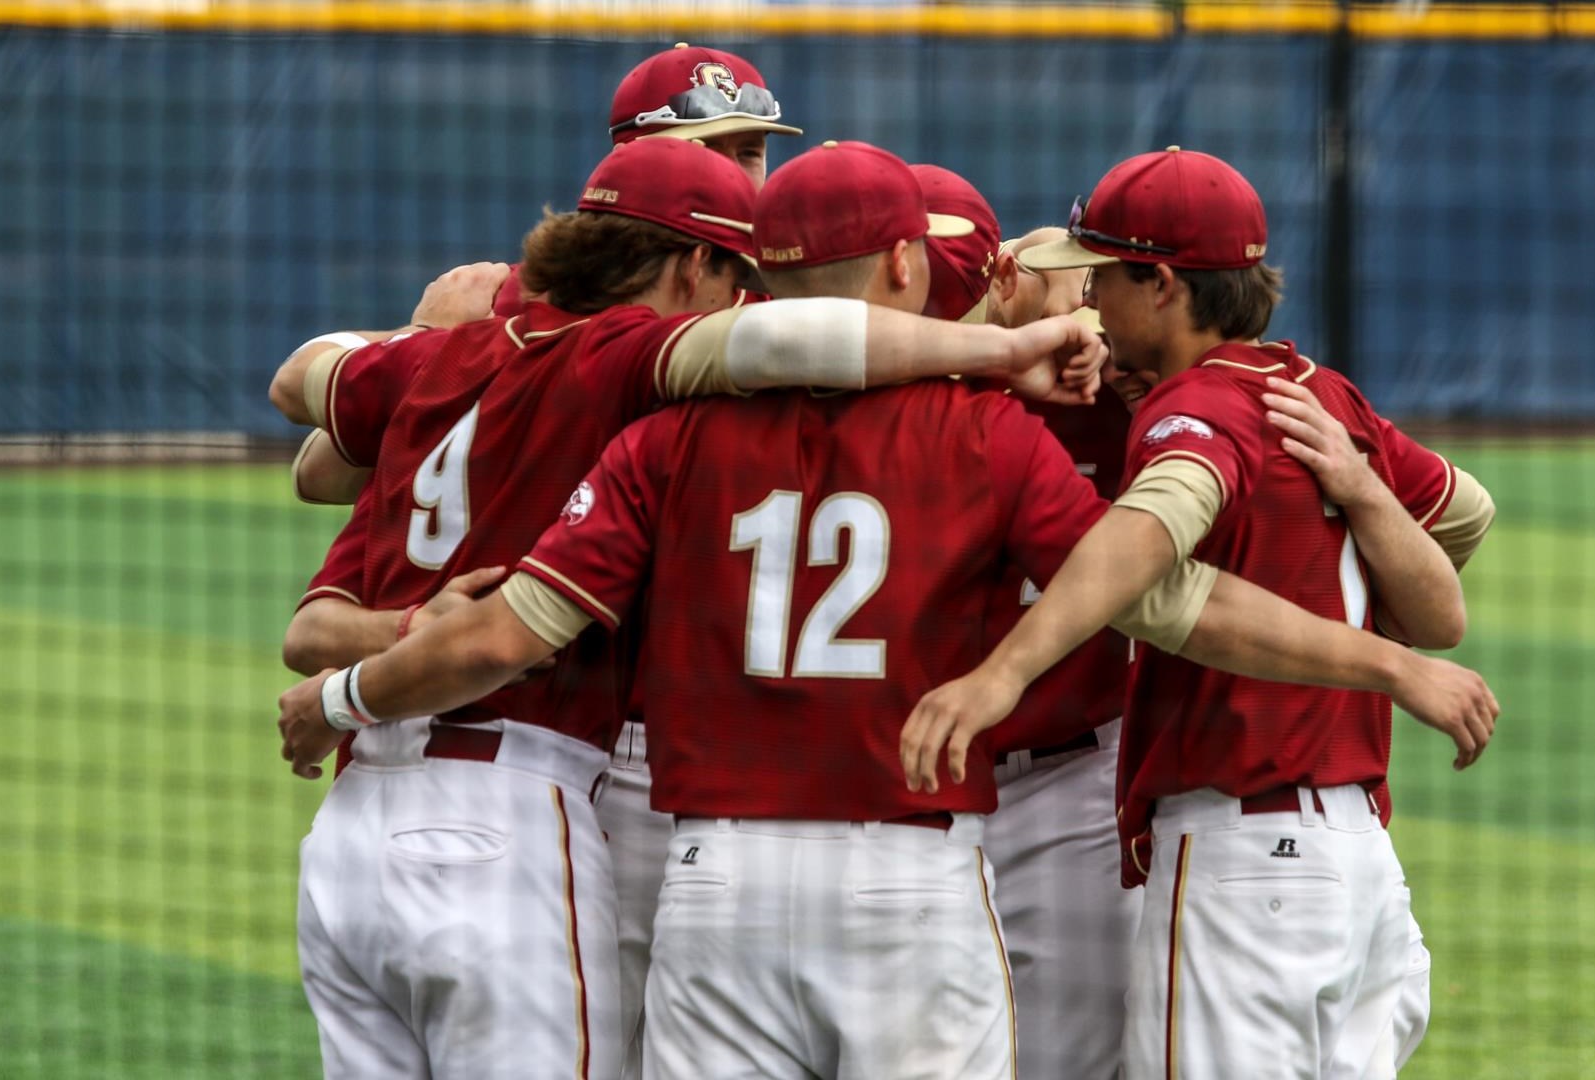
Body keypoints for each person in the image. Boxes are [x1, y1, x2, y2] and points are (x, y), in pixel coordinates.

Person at [275, 140, 1499, 1080]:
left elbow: (490, 613)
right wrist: (1384, 664)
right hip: (906, 873)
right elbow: (1161, 597)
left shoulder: (660, 436)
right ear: (908, 267)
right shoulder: (992, 431)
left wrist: (341, 693)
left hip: (708, 875)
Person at [273, 134, 1110, 1079]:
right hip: (852, 863)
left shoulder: (509, 393)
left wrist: (347, 691)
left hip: (655, 870)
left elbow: (316, 450)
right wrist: (1007, 351)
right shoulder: (639, 370)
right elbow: (1117, 583)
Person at [902, 147, 1499, 1078]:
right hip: (1357, 861)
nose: (1090, 295)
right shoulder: (1315, 391)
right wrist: (1363, 494)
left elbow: (1156, 524)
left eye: (1105, 275)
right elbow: (1459, 544)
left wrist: (1002, 675)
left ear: (1165, 287)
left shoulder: (1191, 408)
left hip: (1243, 856)